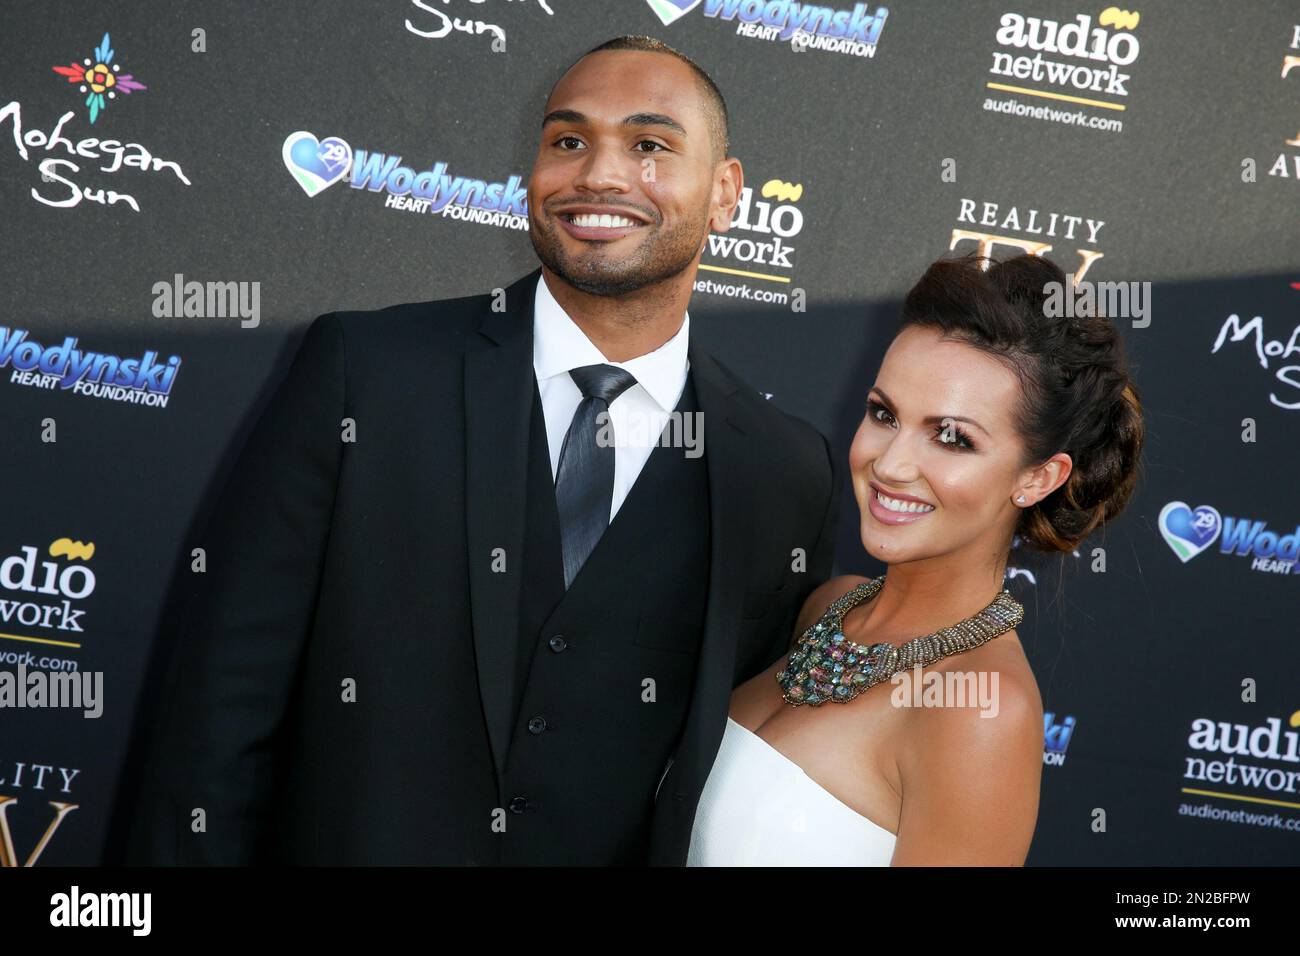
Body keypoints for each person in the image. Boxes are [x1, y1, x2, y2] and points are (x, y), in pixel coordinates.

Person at [122, 35, 838, 865]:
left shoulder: (787, 473)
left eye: (649, 146)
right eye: (567, 141)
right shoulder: (369, 376)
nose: (599, 175)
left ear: (725, 194)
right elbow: (220, 710)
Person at [687, 252, 1145, 865]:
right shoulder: (825, 607)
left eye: (952, 437)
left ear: (1038, 477)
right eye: (884, 414)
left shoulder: (983, 709)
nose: (891, 464)